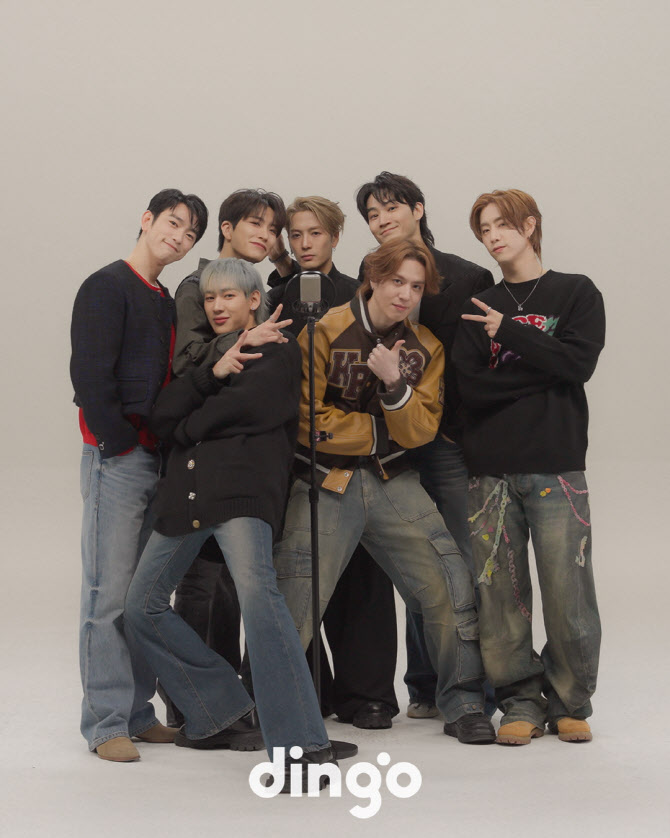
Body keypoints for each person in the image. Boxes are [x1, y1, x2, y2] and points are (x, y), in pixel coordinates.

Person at [124, 258, 341, 790]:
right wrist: (212, 374)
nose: (218, 306)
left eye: (229, 296)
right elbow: (161, 417)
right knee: (142, 607)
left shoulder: (277, 347)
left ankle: (303, 746)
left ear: (254, 300)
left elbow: (248, 409)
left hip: (241, 496)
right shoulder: (208, 357)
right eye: (210, 298)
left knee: (260, 605)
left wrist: (190, 424)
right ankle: (220, 708)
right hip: (186, 500)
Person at [274, 237, 495, 745]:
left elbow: (421, 431)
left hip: (395, 480)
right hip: (326, 479)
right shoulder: (322, 330)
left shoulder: (427, 347)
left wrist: (395, 385)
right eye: (397, 281)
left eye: (415, 287)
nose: (405, 295)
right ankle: (273, 708)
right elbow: (308, 422)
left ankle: (463, 703)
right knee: (296, 594)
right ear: (373, 279)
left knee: (450, 582)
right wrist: (382, 429)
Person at [453, 188, 605, 745]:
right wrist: (545, 369)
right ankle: (519, 701)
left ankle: (570, 702)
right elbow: (470, 389)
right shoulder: (478, 304)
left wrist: (514, 334)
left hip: (556, 465)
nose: (493, 236)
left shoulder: (576, 291)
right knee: (500, 598)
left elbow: (579, 364)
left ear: (530, 225)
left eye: (502, 224)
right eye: (484, 229)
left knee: (568, 594)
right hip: (490, 470)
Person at [70, 188, 208, 761]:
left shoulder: (162, 298)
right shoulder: (107, 285)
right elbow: (89, 376)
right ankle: (105, 723)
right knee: (107, 594)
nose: (179, 237)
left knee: (142, 595)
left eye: (190, 234)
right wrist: (119, 442)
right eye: (173, 223)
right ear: (147, 220)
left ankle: (138, 713)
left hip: (159, 461)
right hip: (119, 459)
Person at [355, 172, 494, 719]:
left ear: (418, 209)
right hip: (386, 445)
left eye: (391, 208)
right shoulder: (370, 272)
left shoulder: (467, 277)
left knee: (458, 558)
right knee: (415, 564)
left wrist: (452, 432)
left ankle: (475, 685)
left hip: (445, 442)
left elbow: (473, 368)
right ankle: (424, 683)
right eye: (372, 214)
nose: (381, 220)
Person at [159, 189, 290, 728]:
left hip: (235, 461)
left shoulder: (261, 290)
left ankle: (231, 705)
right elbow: (187, 362)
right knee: (198, 586)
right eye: (256, 224)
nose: (266, 236)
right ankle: (194, 707)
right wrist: (242, 339)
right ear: (227, 228)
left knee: (233, 587)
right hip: (196, 459)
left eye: (273, 229)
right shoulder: (198, 287)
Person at [267, 196, 399, 729]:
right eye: (295, 235)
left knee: (362, 575)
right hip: (290, 450)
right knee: (297, 572)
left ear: (335, 237)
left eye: (314, 234)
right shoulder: (275, 296)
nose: (304, 244)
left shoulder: (358, 295)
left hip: (354, 451)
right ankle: (306, 690)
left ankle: (367, 694)